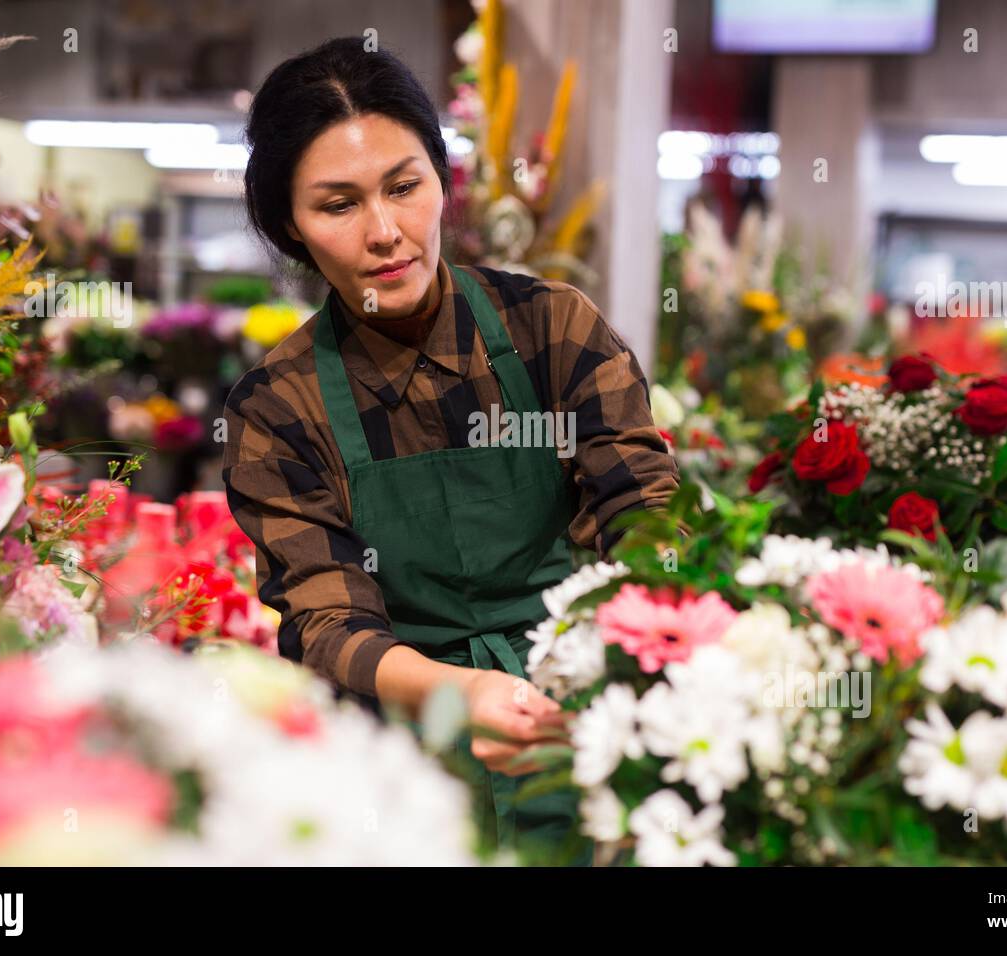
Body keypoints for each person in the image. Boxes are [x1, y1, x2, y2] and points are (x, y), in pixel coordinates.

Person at [223, 36, 678, 863]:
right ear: (290, 225)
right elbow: (327, 622)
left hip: (583, 716)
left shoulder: (552, 329)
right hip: (403, 751)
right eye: (338, 205)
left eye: (405, 187)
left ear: (442, 179)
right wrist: (459, 690)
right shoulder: (277, 408)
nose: (386, 232)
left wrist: (611, 666)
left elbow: (645, 513)